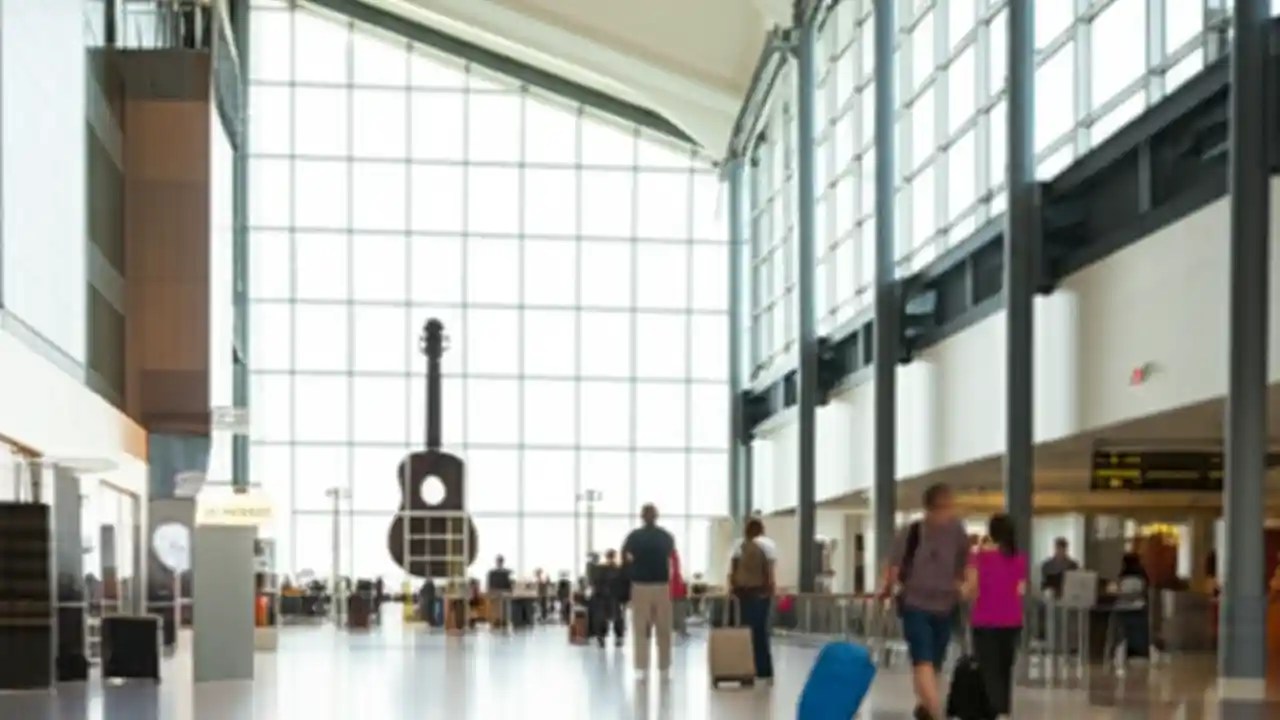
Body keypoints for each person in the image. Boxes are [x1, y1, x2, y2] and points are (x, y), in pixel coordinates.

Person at [881, 483, 970, 720]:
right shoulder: (910, 532)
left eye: (949, 507)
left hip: (946, 605)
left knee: (936, 662)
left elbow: (966, 562)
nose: (947, 513)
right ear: (929, 509)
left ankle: (925, 706)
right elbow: (893, 565)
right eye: (942, 508)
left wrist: (965, 585)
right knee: (922, 659)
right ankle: (937, 713)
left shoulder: (957, 530)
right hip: (915, 604)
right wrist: (887, 589)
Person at [965, 514, 1026, 719]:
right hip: (1012, 620)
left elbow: (972, 590)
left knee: (987, 670)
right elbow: (1021, 590)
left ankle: (992, 712)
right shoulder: (1018, 558)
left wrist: (960, 590)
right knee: (1004, 669)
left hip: (985, 620)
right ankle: (1004, 712)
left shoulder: (978, 557)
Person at [621, 503, 676, 678]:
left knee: (642, 627)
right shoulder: (665, 536)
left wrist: (630, 570)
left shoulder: (635, 537)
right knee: (662, 626)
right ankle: (663, 665)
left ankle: (643, 665)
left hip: (643, 584)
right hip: (657, 584)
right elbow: (669, 554)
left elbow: (624, 555)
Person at [730, 517, 776, 683]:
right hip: (759, 594)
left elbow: (733, 571)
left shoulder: (740, 547)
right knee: (760, 632)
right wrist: (769, 590)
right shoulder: (766, 546)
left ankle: (748, 668)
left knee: (748, 632)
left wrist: (733, 588)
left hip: (746, 594)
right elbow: (769, 572)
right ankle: (763, 669)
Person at [589, 550, 626, 647]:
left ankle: (601, 637)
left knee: (602, 618)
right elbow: (623, 582)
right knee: (617, 617)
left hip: (602, 595)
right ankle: (618, 637)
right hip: (614, 596)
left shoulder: (600, 568)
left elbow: (594, 582)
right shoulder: (618, 568)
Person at [670, 548, 689, 639]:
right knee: (679, 612)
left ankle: (678, 630)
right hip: (677, 589)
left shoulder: (669, 555)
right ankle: (681, 631)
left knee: (675, 612)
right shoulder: (674, 555)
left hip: (673, 590)